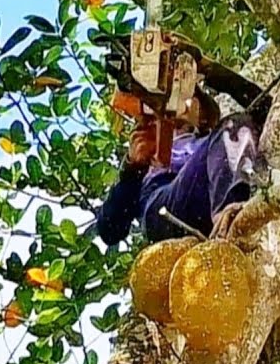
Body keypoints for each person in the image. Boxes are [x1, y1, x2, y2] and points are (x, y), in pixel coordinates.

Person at [95, 86, 266, 246]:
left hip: (209, 197)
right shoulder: (148, 138)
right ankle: (230, 220)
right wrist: (133, 169)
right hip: (162, 207)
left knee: (235, 127)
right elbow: (109, 230)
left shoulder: (215, 142)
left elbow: (271, 109)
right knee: (231, 128)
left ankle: (231, 216)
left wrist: (215, 74)